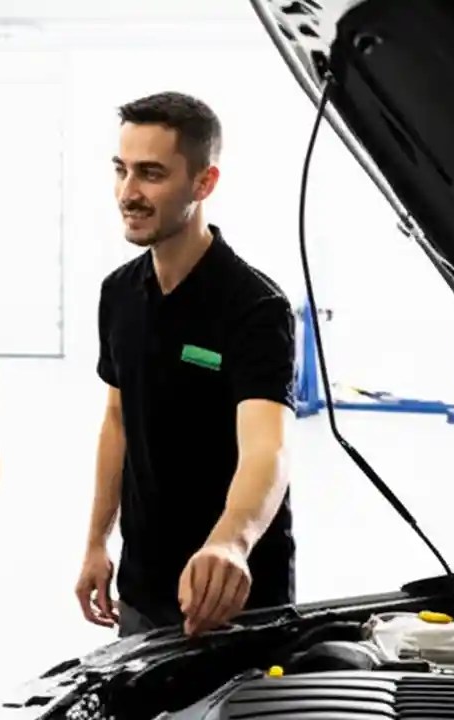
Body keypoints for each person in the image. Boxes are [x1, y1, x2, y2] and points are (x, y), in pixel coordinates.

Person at [75, 91, 298, 639]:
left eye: (150, 173)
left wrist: (231, 541)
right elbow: (117, 422)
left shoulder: (254, 307)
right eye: (121, 170)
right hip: (144, 586)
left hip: (234, 593)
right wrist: (96, 542)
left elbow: (268, 446)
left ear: (204, 183)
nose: (129, 193)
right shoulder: (119, 293)